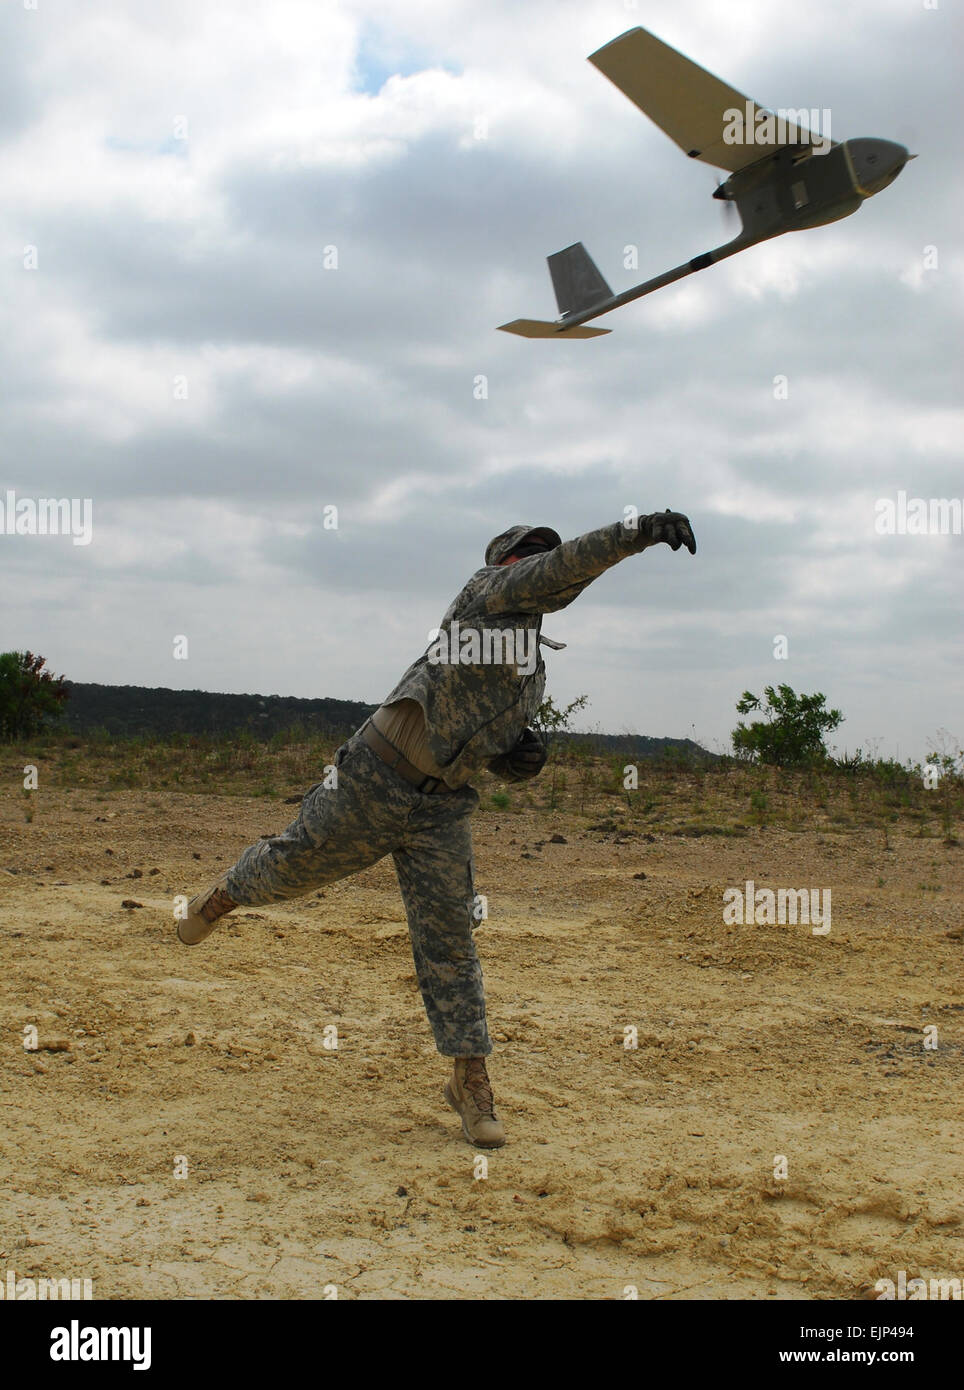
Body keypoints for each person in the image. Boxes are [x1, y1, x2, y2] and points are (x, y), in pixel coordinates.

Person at [176, 510, 696, 1148]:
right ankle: (223, 895)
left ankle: (470, 1083)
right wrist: (637, 532)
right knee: (291, 865)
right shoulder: (485, 593)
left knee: (451, 943)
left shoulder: (531, 668)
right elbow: (563, 568)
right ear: (504, 563)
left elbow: (489, 741)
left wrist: (514, 759)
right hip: (372, 776)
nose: (535, 562)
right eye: (525, 554)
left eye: (540, 553)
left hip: (441, 806)